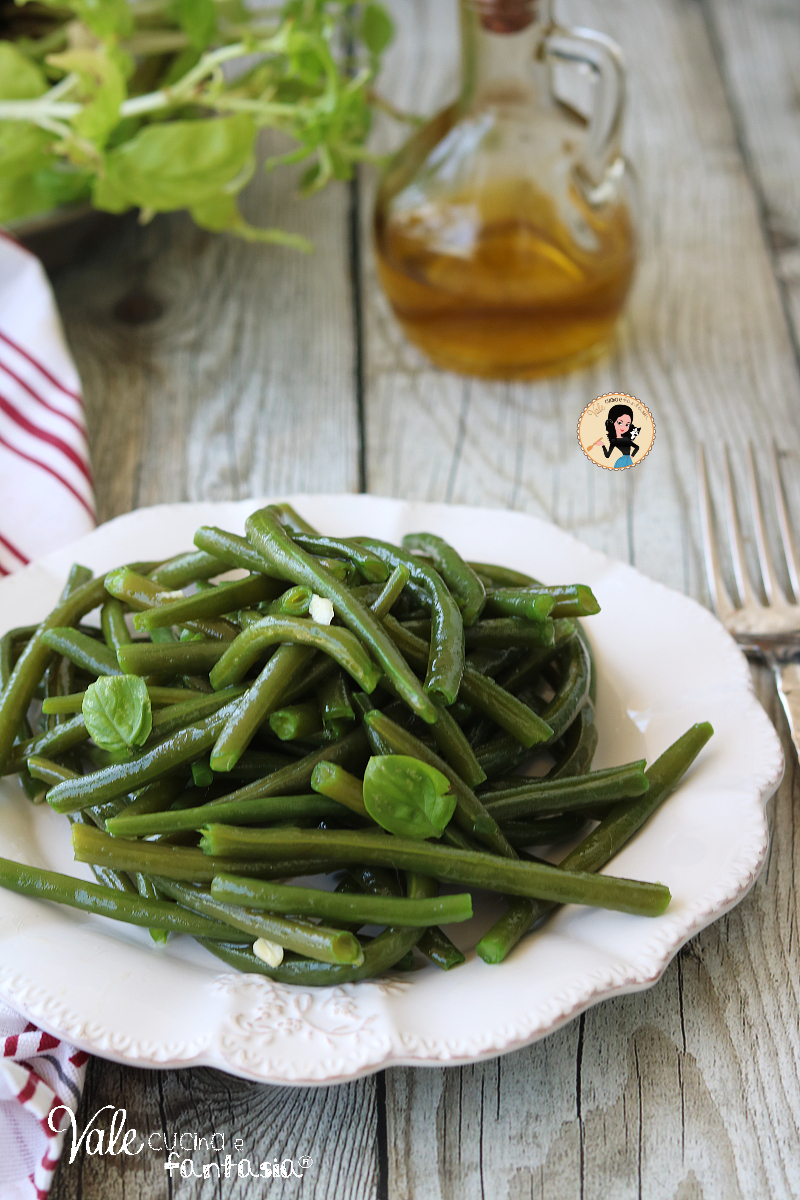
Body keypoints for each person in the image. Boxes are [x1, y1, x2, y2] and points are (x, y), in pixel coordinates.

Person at [588, 403, 639, 468]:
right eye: (620, 423)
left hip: (628, 460)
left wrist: (631, 457)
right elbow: (607, 455)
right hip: (621, 461)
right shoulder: (614, 441)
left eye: (627, 424)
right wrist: (603, 445)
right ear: (612, 422)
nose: (623, 427)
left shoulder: (626, 439)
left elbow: (637, 447)